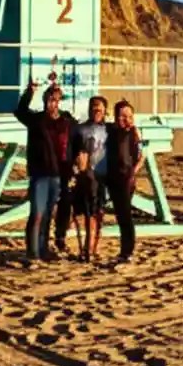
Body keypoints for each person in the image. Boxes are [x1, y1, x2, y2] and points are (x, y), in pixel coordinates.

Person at [14, 76, 74, 263]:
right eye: (49, 99)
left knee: (48, 214)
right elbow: (20, 111)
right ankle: (32, 253)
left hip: (58, 174)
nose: (52, 103)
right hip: (40, 173)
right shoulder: (36, 120)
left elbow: (80, 136)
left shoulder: (66, 120)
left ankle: (43, 249)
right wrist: (29, 92)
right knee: (37, 214)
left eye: (55, 100)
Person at [69, 96, 109, 261]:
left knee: (99, 212)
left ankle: (93, 247)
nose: (96, 111)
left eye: (99, 108)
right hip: (85, 176)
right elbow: (72, 151)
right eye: (93, 107)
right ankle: (86, 247)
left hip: (103, 176)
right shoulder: (80, 129)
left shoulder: (109, 130)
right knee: (85, 213)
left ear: (105, 110)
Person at [105, 100, 143, 264]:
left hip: (125, 178)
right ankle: (124, 250)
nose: (126, 119)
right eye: (122, 116)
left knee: (125, 215)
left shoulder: (134, 133)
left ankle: (127, 250)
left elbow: (141, 156)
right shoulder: (111, 131)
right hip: (112, 176)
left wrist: (132, 173)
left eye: (129, 116)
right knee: (120, 215)